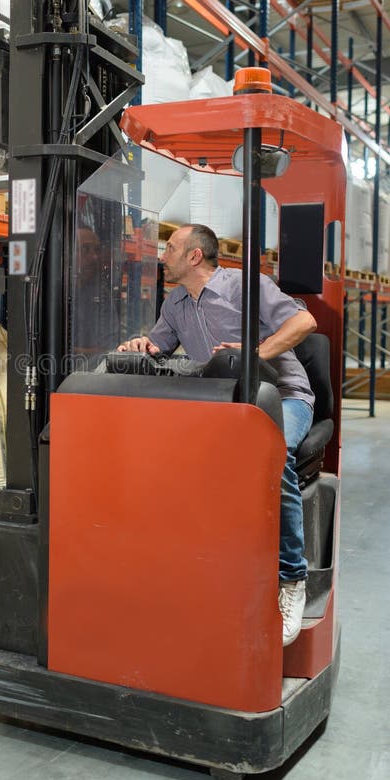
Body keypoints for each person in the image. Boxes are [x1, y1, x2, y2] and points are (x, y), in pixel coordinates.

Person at [118, 224, 317, 647]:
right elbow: (160, 347)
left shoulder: (246, 286)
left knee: (272, 456)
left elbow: (305, 321)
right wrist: (141, 347)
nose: (161, 255)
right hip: (226, 402)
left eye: (169, 248)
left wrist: (254, 355)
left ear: (193, 257)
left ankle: (292, 579)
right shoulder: (175, 301)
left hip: (282, 396)